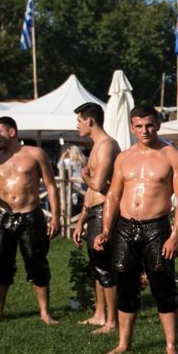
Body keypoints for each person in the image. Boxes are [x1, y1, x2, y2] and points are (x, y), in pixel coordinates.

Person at [93, 104, 178, 354]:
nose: (145, 130)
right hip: (125, 228)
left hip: (156, 229)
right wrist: (105, 230)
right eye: (139, 126)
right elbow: (113, 195)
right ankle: (124, 343)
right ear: (132, 127)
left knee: (163, 287)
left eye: (149, 125)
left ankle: (171, 347)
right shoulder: (123, 157)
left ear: (157, 124)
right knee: (125, 285)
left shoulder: (171, 156)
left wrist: (175, 236)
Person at [0, 116, 61, 325]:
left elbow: (51, 186)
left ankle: (44, 312)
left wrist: (56, 217)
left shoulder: (35, 154)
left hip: (31, 214)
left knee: (37, 263)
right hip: (3, 215)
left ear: (12, 132)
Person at [70, 103, 121, 335]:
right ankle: (100, 314)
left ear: (90, 121)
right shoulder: (96, 146)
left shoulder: (107, 146)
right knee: (97, 267)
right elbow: (91, 193)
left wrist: (84, 176)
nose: (77, 125)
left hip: (104, 212)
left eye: (79, 120)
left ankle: (112, 321)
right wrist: (81, 220)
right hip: (93, 212)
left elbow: (98, 185)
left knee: (105, 266)